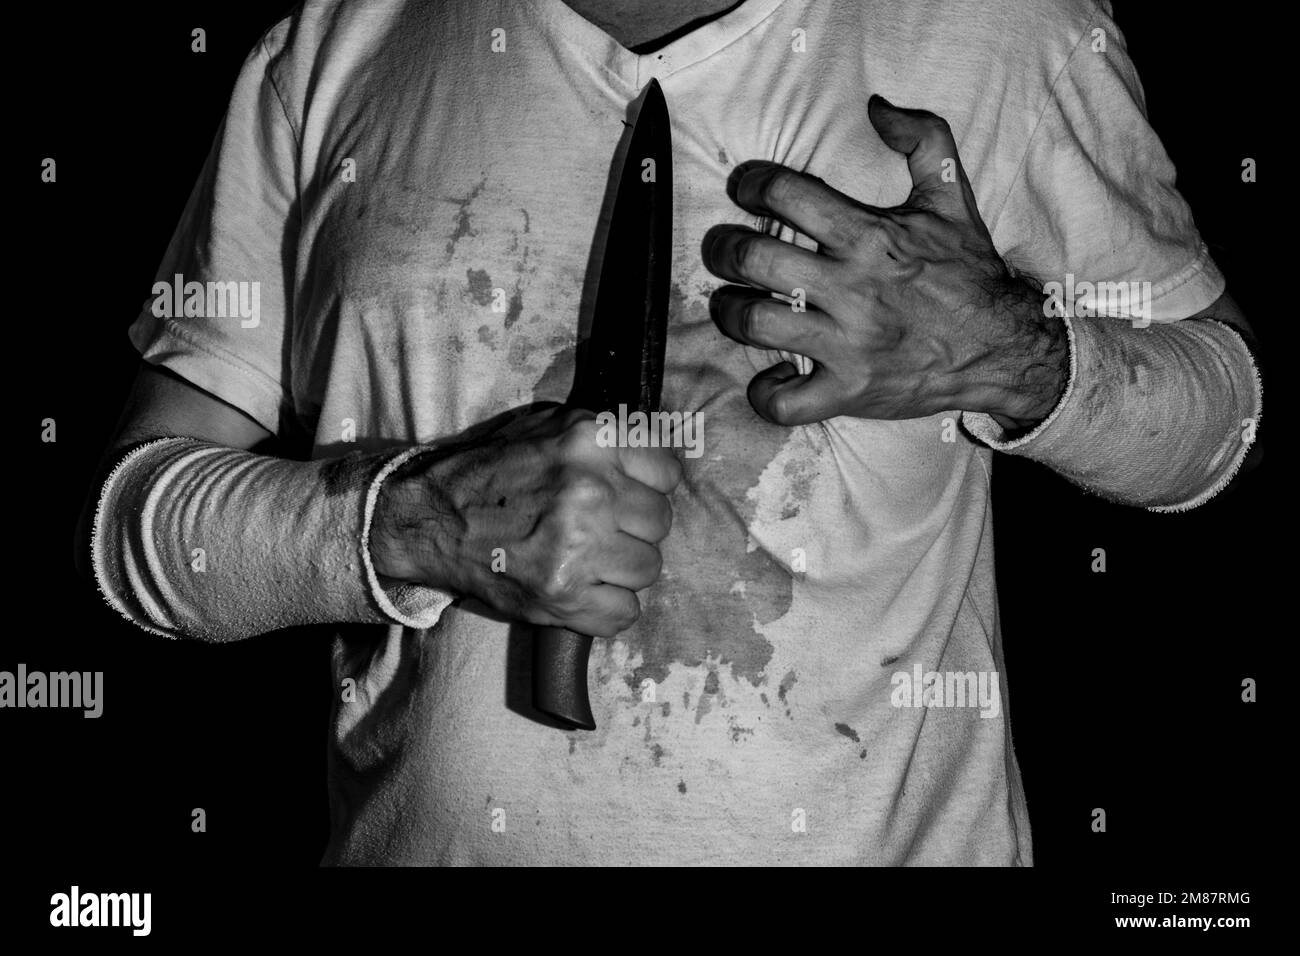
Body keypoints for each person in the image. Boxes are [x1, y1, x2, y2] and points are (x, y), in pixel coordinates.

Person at [80, 0, 1261, 865]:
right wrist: (407, 523)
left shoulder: (1001, 30)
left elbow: (1223, 415)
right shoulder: (332, 47)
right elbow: (137, 530)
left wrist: (1016, 356)